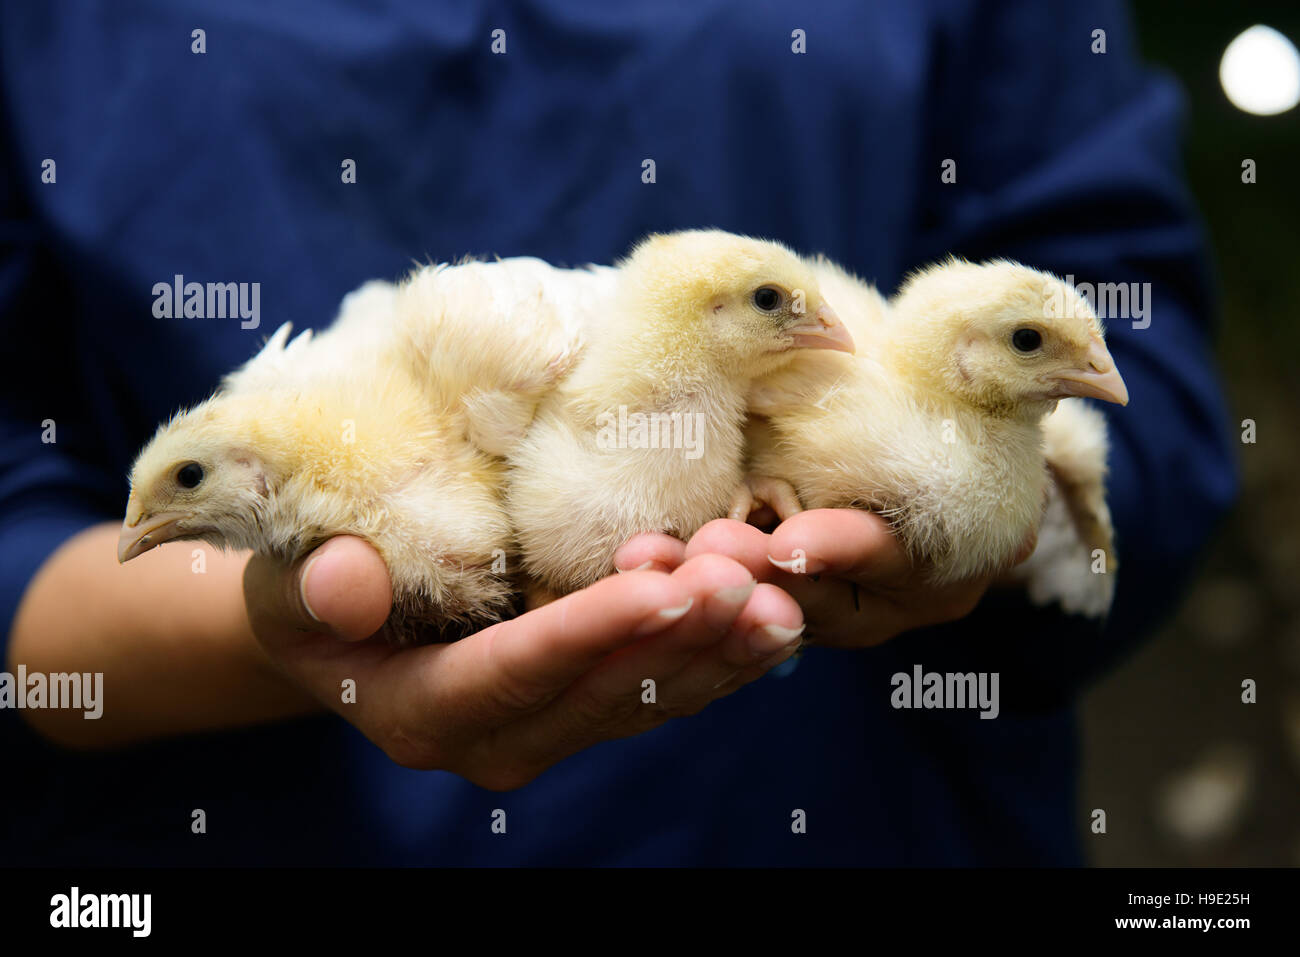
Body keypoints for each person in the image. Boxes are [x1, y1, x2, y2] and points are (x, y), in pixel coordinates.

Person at [0, 0, 1235, 865]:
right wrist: (264, 630)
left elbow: (1133, 348)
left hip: (850, 814)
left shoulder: (834, 379)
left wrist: (982, 531)